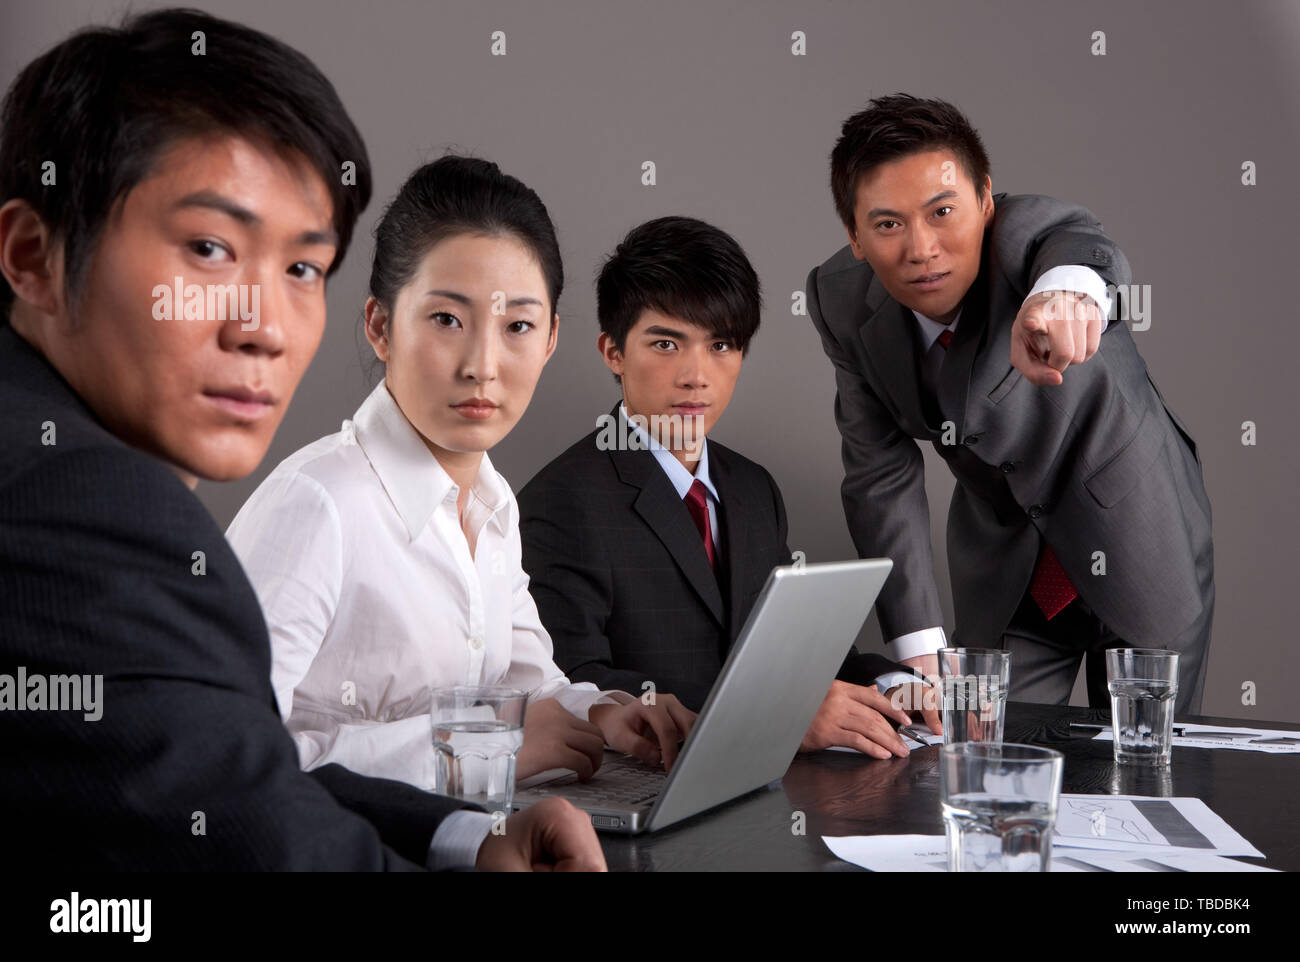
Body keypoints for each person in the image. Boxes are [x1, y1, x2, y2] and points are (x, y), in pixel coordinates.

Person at [0, 8, 603, 871]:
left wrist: (464, 836)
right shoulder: (78, 498)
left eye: (300, 269)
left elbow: (238, 776)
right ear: (34, 256)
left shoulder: (65, 461)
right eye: (208, 248)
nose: (266, 328)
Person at [227, 156, 698, 798]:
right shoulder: (317, 504)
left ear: (552, 338)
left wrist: (607, 714)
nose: (483, 365)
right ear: (380, 326)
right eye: (447, 319)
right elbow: (225, 756)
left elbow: (533, 688)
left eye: (518, 327)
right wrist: (485, 749)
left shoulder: (491, 502)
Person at [805, 94, 1213, 714]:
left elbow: (1080, 249)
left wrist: (1067, 298)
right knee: (987, 766)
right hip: (1009, 567)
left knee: (1147, 773)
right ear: (854, 236)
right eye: (888, 224)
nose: (922, 248)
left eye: (943, 211)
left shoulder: (1026, 237)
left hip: (1139, 532)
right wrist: (917, 644)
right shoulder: (837, 302)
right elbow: (878, 474)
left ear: (986, 201)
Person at [519, 216, 938, 761]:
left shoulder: (753, 489)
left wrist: (894, 685)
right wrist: (780, 712)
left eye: (721, 345)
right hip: (645, 797)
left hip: (771, 795)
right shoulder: (559, 502)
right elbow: (576, 685)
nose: (697, 375)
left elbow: (801, 656)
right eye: (667, 343)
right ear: (612, 351)